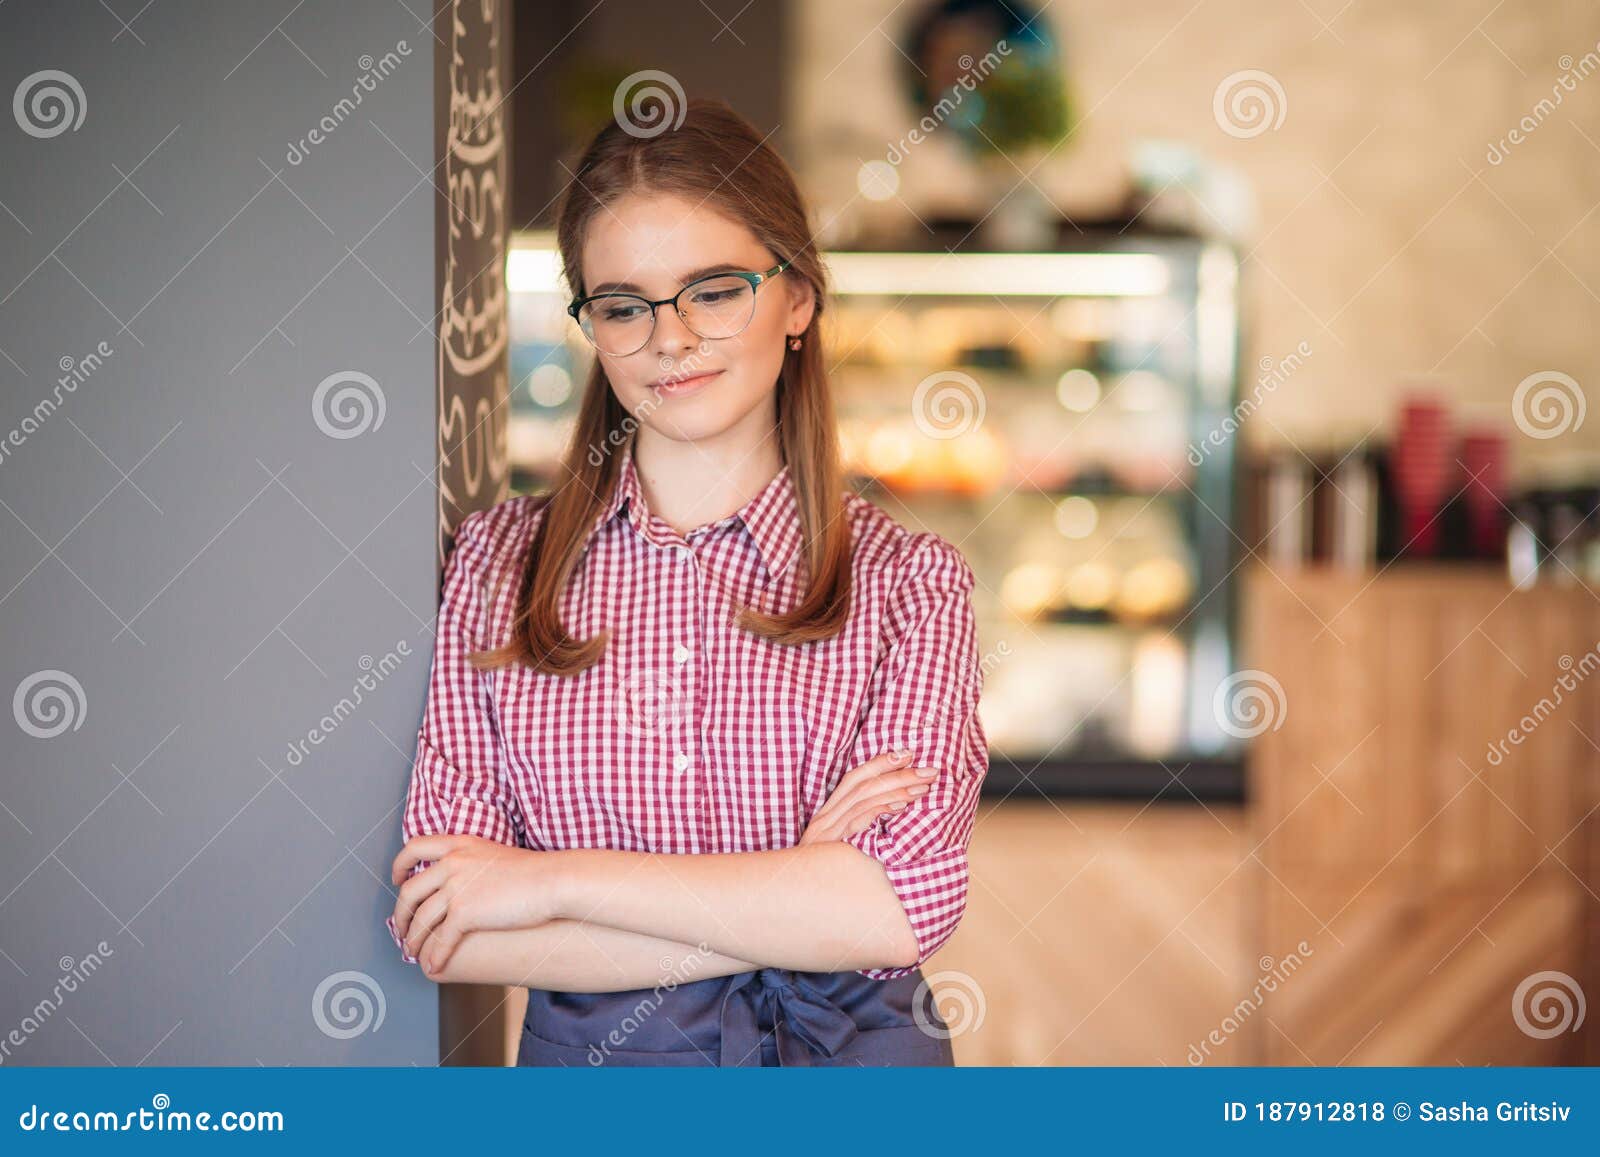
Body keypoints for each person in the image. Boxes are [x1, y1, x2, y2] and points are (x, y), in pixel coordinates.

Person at [386, 97, 989, 1066]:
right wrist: (797, 888)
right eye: (623, 305)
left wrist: (550, 881)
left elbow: (895, 905)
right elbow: (447, 926)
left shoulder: (910, 581)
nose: (668, 338)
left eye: (712, 291)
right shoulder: (498, 566)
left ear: (797, 297)